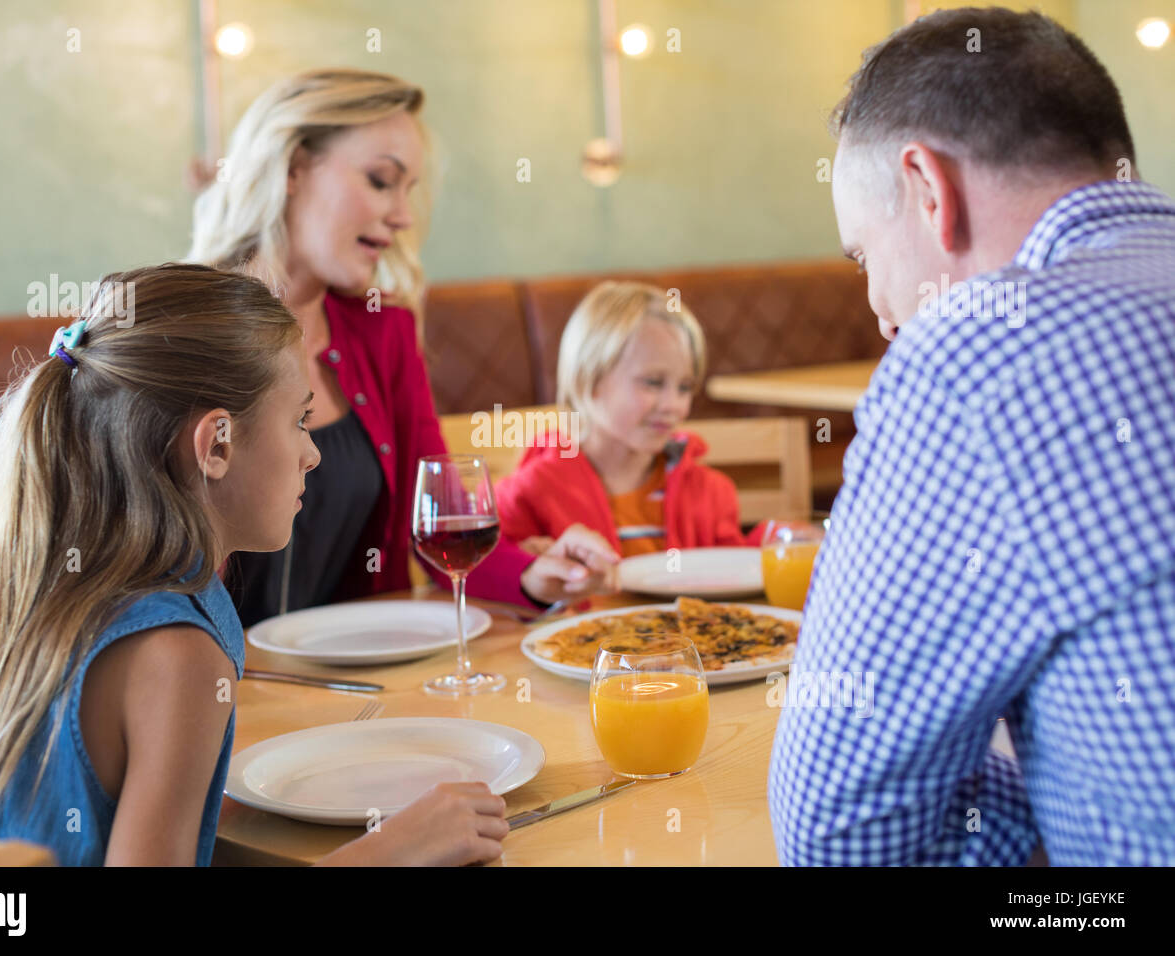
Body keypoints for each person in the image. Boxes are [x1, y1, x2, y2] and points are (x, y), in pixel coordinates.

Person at [0, 264, 510, 866]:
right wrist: (393, 851)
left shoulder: (40, 587)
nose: (313, 456)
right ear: (216, 444)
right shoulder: (177, 654)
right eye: (299, 422)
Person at [768, 7, 1175, 865]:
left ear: (927, 189)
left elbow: (837, 831)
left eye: (861, 257)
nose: (880, 313)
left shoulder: (972, 357)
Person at [187, 68, 616, 625]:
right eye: (380, 180)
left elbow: (442, 524)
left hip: (363, 680)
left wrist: (534, 578)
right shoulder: (184, 332)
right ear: (292, 169)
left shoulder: (382, 330)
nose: (403, 216)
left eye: (408, 190)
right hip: (215, 689)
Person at [494, 281, 751, 559]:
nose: (673, 406)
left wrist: (775, 540)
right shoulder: (529, 494)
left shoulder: (709, 492)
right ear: (588, 381)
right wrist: (527, 565)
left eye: (685, 387)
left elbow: (735, 570)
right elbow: (492, 576)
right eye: (653, 383)